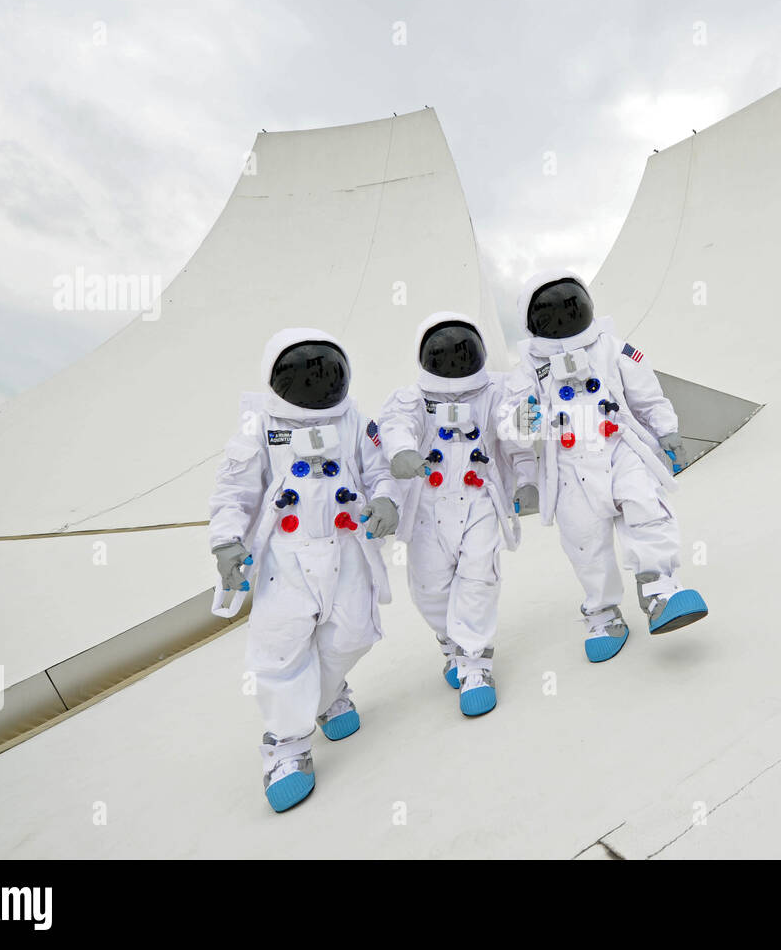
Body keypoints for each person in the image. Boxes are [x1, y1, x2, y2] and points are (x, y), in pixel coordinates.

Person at [208, 328, 400, 813]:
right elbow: (234, 492)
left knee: (354, 633)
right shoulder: (259, 425)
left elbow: (377, 469)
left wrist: (384, 499)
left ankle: (327, 695)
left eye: (325, 372)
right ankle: (287, 747)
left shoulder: (353, 416)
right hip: (286, 556)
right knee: (281, 648)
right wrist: (227, 541)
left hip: (347, 544)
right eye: (305, 374)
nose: (317, 383)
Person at [512, 271, 708, 663]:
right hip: (569, 467)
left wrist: (667, 431)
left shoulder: (612, 348)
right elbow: (514, 428)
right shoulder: (527, 370)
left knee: (648, 512)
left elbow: (648, 396)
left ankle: (660, 589)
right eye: (551, 313)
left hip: (621, 448)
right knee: (585, 543)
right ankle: (602, 612)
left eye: (569, 307)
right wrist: (525, 428)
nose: (563, 317)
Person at [379, 312, 536, 716]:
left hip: (478, 497)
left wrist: (525, 466)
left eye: (461, 351)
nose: (453, 359)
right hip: (428, 507)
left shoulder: (496, 390)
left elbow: (514, 428)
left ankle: (475, 663)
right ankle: (450, 641)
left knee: (479, 575)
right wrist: (402, 452)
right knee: (429, 588)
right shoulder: (411, 398)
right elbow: (397, 425)